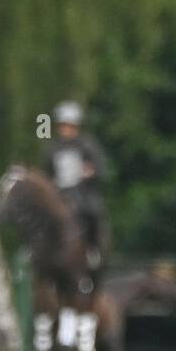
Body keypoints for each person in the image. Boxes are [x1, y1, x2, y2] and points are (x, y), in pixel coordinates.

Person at [43, 101, 109, 271]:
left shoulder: (88, 145)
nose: (66, 129)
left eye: (69, 125)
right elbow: (47, 173)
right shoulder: (53, 149)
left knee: (92, 212)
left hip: (82, 193)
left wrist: (90, 173)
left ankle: (93, 249)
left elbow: (101, 169)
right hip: (60, 193)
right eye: (63, 125)